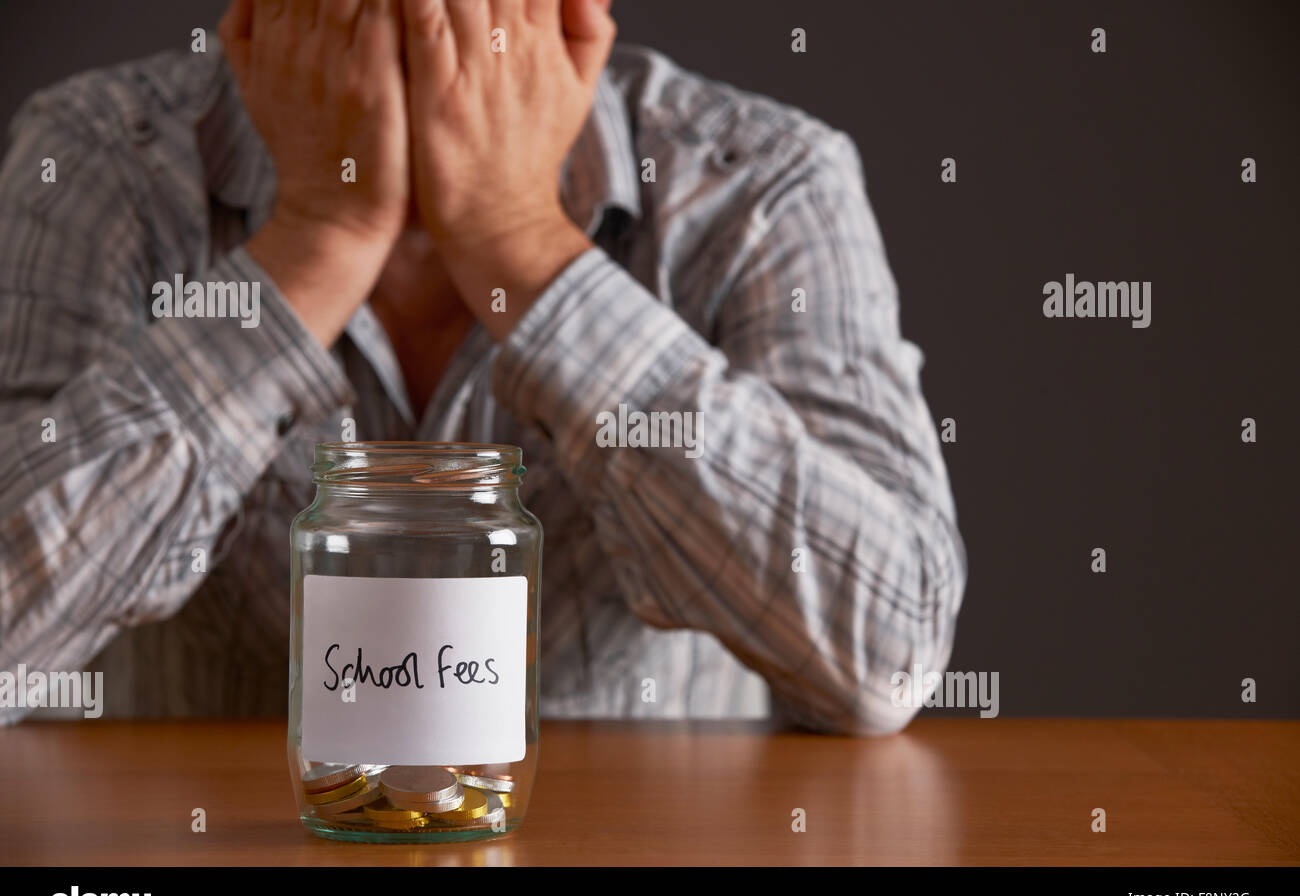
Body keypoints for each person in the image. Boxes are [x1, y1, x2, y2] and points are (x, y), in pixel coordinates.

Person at [0, 0, 965, 733]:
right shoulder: (105, 158)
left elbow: (887, 652)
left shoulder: (757, 180)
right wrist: (318, 243)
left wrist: (524, 248)